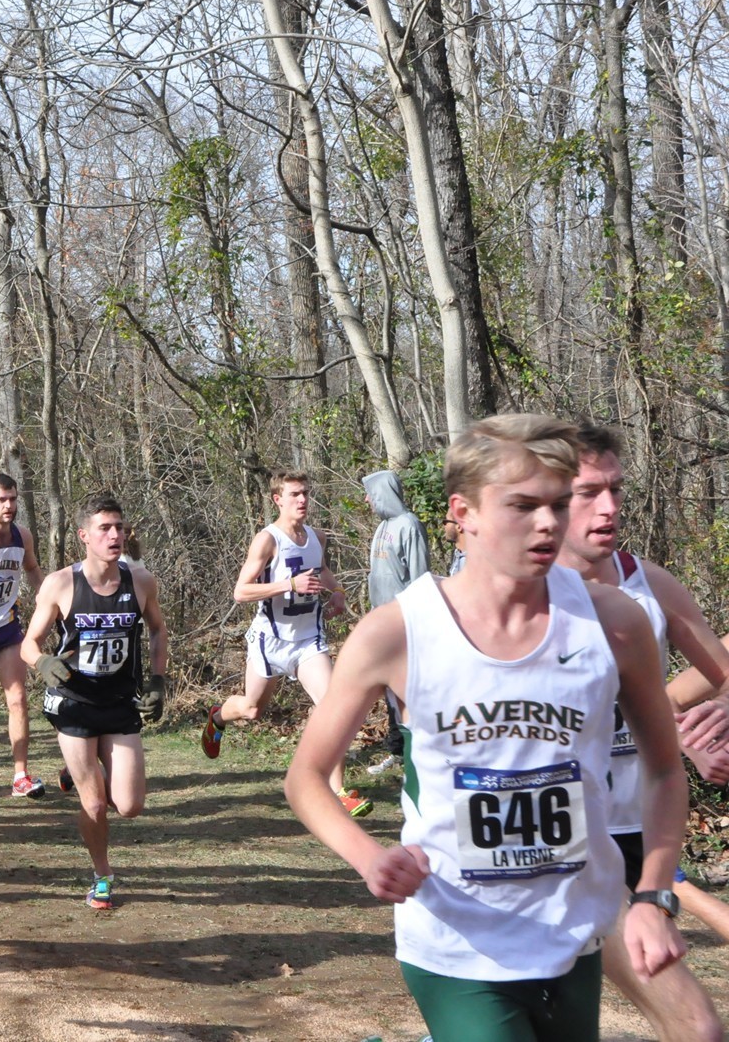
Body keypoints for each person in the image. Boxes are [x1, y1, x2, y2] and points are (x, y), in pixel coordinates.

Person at [285, 414, 688, 1042]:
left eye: (558, 503)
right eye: (522, 506)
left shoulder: (615, 623)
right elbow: (307, 778)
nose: (549, 523)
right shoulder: (398, 631)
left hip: (573, 933)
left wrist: (654, 894)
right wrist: (370, 858)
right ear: (463, 511)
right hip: (455, 939)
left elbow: (664, 769)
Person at [555, 422, 729, 1041]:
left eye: (617, 490)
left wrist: (707, 720)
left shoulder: (646, 581)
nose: (608, 509)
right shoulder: (518, 597)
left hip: (639, 837)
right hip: (563, 850)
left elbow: (719, 671)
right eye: (588, 492)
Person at [20, 492, 167, 910]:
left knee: (131, 805)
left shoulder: (140, 581)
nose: (114, 535)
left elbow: (157, 630)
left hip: (120, 700)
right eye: (104, 528)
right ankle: (102, 874)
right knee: (96, 802)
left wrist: (157, 680)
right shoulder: (61, 583)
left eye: (119, 527)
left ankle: (75, 769)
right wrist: (44, 662)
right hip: (74, 702)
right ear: (85, 535)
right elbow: (28, 644)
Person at [204, 470, 366, 815]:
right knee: (251, 710)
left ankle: (337, 791)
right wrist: (288, 586)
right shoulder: (268, 540)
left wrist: (336, 592)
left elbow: (322, 570)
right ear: (278, 500)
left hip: (308, 640)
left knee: (333, 706)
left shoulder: (316, 537)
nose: (303, 500)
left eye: (306, 493)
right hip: (271, 640)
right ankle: (218, 717)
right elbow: (240, 591)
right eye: (295, 494)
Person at [0, 472, 47, 797]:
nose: (9, 506)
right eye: (1, 500)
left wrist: (49, 601)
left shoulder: (23, 535)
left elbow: (31, 568)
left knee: (18, 699)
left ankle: (21, 776)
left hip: (6, 627)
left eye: (13, 499)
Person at [361, 470, 430, 777]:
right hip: (383, 623)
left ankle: (418, 756)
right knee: (390, 692)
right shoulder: (383, 527)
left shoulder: (409, 525)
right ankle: (397, 752)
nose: (366, 499)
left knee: (407, 691)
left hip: (405, 624)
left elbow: (419, 578)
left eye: (370, 493)